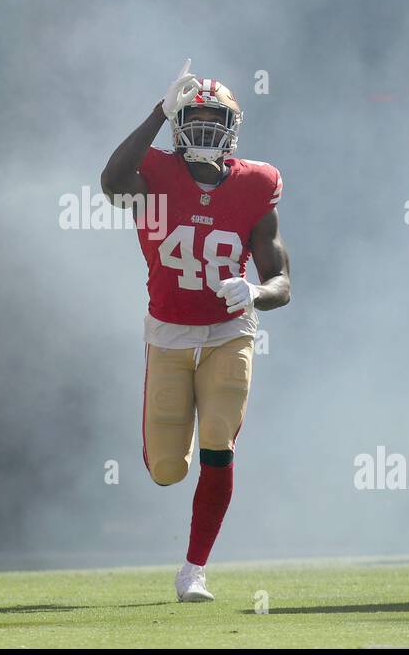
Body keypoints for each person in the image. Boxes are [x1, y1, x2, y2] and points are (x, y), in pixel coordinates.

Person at [101, 68, 290, 602]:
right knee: (166, 469)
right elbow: (112, 183)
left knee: (219, 442)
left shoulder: (256, 183)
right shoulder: (154, 175)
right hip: (169, 333)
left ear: (233, 128)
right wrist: (156, 112)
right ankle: (172, 483)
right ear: (178, 126)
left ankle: (194, 570)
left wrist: (254, 293)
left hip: (229, 332)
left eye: (216, 120)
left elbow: (283, 281)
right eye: (194, 119)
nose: (206, 129)